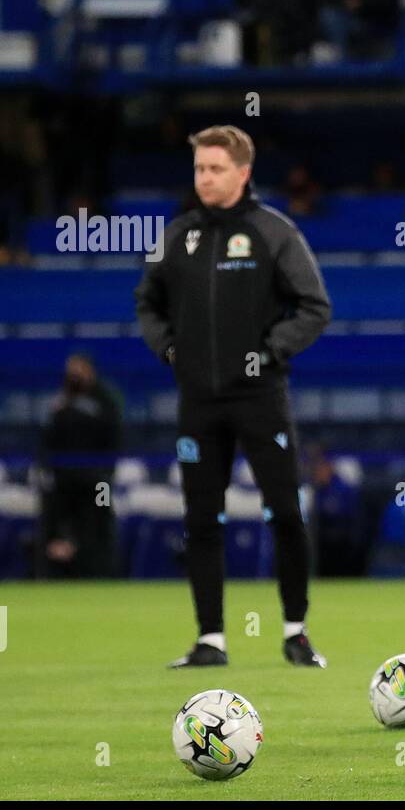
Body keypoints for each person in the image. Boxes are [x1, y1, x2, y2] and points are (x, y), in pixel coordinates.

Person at [135, 125, 332, 669]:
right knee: (202, 519)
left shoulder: (274, 231)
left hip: (259, 398)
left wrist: (271, 350)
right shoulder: (177, 237)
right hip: (197, 402)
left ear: (243, 173)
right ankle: (210, 640)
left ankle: (296, 631)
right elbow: (147, 303)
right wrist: (170, 350)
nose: (205, 178)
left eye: (215, 168)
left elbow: (315, 306)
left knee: (285, 513)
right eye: (199, 168)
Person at [39, 353, 122, 578]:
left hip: (98, 480)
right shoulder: (60, 401)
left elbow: (113, 437)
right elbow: (47, 439)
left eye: (78, 370)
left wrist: (107, 471)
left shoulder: (105, 400)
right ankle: (57, 571)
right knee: (57, 522)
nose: (74, 375)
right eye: (70, 371)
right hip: (64, 479)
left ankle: (103, 571)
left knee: (100, 520)